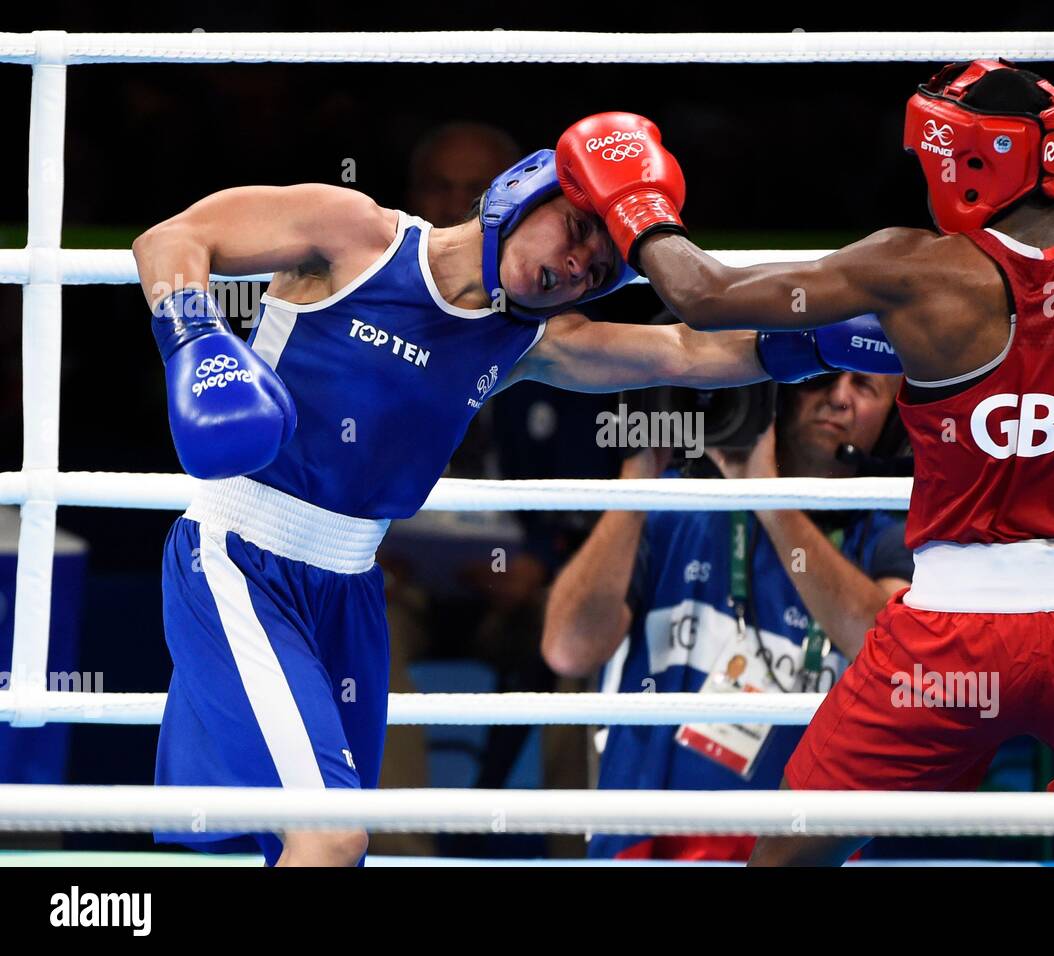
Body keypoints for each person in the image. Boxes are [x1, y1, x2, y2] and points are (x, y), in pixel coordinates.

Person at [554, 59, 1054, 867]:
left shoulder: (914, 271)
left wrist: (632, 200)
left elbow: (702, 295)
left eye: (931, 161)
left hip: (949, 639)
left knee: (787, 851)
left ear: (971, 163)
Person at [133, 148, 895, 867]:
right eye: (576, 230)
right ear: (523, 190)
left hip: (351, 588)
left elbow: (690, 353)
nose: (575, 265)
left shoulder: (523, 343)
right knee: (328, 836)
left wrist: (830, 334)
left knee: (313, 841)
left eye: (596, 269)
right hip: (241, 558)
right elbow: (173, 238)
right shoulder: (354, 232)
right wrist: (194, 338)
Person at [543, 373, 913, 861]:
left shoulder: (892, 535)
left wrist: (768, 499)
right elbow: (567, 648)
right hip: (644, 850)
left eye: (864, 386)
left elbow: (896, 655)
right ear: (779, 387)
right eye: (821, 375)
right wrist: (638, 480)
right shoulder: (674, 503)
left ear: (891, 420)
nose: (839, 398)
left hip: (797, 857)